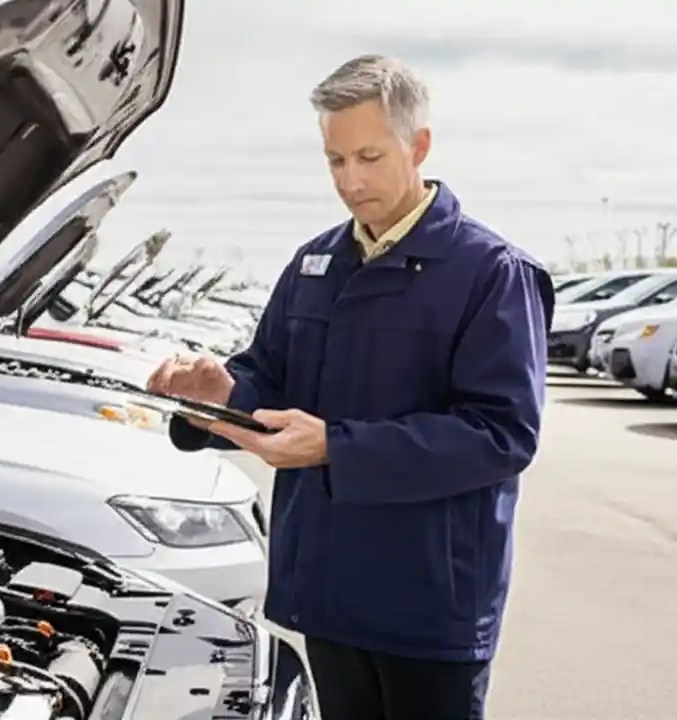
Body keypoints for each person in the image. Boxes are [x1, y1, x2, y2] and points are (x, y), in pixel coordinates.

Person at [146, 55, 554, 719]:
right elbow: (268, 377)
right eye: (335, 161)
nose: (351, 180)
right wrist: (219, 397)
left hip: (429, 607)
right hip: (330, 592)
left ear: (418, 145)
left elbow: (502, 434)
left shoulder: (491, 273)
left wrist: (337, 447)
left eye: (369, 156)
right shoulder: (314, 265)